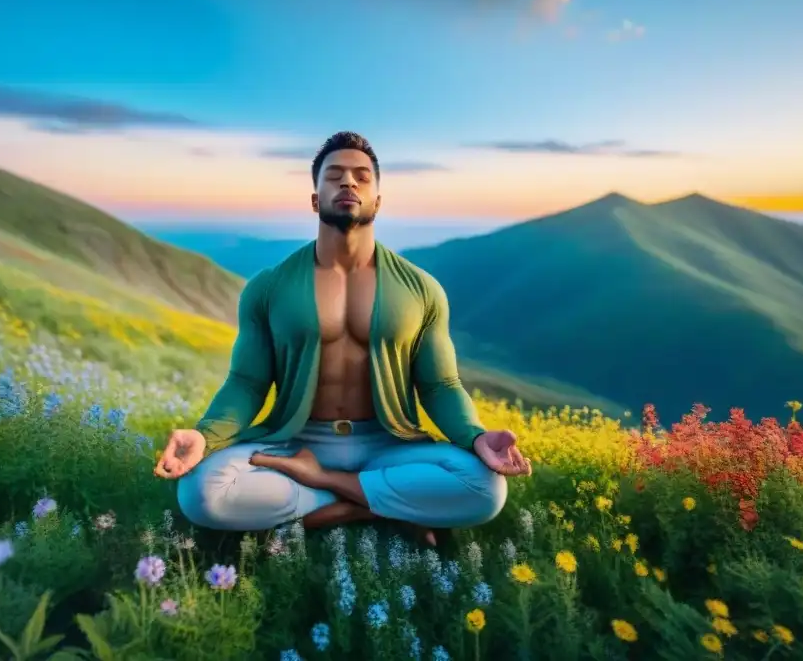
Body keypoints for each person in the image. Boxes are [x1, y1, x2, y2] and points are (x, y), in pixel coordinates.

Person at [154, 131, 531, 542]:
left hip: (389, 445)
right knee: (201, 493)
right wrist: (204, 436)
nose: (348, 183)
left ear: (378, 200)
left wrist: (475, 438)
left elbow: (441, 385)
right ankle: (377, 504)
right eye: (334, 176)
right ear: (315, 199)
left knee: (486, 488)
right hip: (298, 442)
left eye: (361, 176)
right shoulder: (268, 287)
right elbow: (247, 383)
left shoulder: (422, 290)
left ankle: (324, 494)